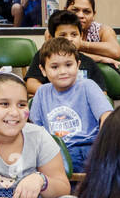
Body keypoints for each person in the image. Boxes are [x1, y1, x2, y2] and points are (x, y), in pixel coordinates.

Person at [28, 37, 114, 171]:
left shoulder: (88, 86)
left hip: (87, 146)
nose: (63, 71)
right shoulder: (42, 93)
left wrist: (104, 145)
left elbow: (107, 116)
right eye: (55, 67)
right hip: (55, 149)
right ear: (43, 70)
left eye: (68, 65)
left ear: (78, 66)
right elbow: (34, 128)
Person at [26, 9, 113, 96]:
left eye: (74, 34)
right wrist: (57, 94)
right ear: (51, 38)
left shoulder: (89, 62)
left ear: (81, 36)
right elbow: (31, 84)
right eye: (63, 35)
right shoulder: (44, 56)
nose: (69, 39)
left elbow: (102, 93)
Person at [63, 0, 120, 73]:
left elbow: (115, 52)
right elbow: (61, 55)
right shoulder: (55, 30)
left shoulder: (103, 30)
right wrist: (100, 58)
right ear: (65, 10)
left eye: (86, 11)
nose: (80, 15)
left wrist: (79, 44)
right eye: (75, 10)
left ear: (93, 15)